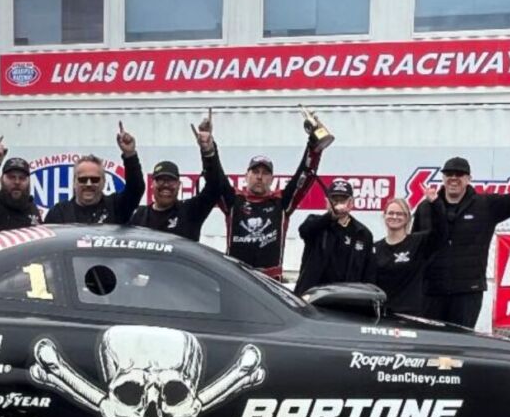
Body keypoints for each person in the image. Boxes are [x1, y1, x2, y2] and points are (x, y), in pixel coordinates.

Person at [413, 140, 510, 328]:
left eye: (459, 174)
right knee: (430, 341)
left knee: (460, 342)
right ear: (443, 178)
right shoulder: (426, 207)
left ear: (469, 179)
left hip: (467, 292)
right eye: (449, 174)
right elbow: (416, 248)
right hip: (431, 291)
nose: (453, 178)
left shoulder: (486, 205)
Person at [206, 118, 323, 280]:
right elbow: (215, 177)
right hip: (237, 280)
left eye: (265, 173)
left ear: (272, 178)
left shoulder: (281, 202)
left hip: (270, 283)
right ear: (246, 176)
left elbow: (304, 176)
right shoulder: (234, 200)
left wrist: (314, 147)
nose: (260, 177)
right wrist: (208, 149)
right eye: (255, 172)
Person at [127, 111, 225, 241]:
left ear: (179, 185)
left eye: (171, 180)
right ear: (152, 184)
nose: (166, 185)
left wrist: (208, 151)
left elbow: (215, 188)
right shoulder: (139, 215)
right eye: (161, 180)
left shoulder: (190, 211)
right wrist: (129, 155)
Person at [44, 122, 145, 224]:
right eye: (83, 179)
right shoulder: (58, 213)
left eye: (95, 179)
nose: (89, 184)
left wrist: (130, 154)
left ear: (104, 182)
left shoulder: (117, 206)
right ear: (74, 182)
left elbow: (136, 188)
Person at [293, 180, 376, 295]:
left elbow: (369, 273)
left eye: (343, 200)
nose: (338, 204)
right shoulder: (316, 224)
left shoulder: (362, 233)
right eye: (334, 200)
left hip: (347, 297)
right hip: (313, 295)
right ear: (327, 202)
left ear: (351, 203)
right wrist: (330, 216)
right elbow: (304, 230)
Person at [372, 189, 447, 316]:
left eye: (399, 214)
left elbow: (441, 232)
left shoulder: (418, 242)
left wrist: (435, 203)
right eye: (391, 213)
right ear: (384, 216)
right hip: (382, 313)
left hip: (410, 314)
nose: (394, 217)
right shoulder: (375, 248)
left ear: (407, 218)